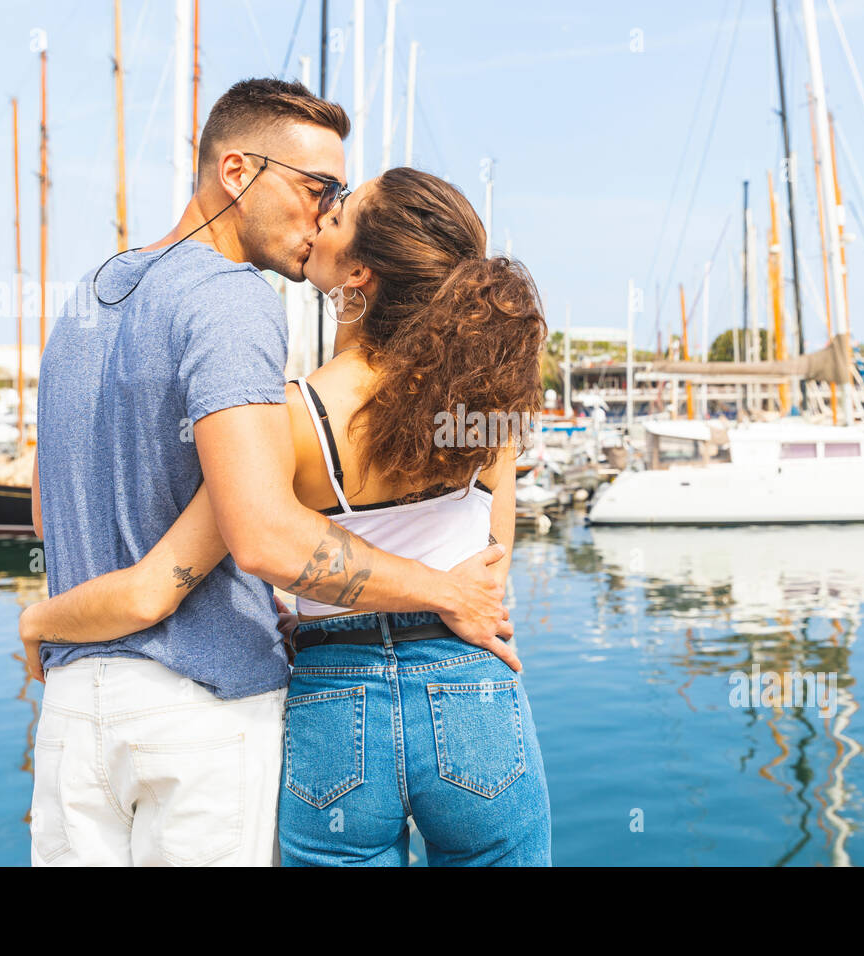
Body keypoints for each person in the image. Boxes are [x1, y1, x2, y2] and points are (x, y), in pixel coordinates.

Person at [28, 78, 512, 867]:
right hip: (202, 711)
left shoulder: (82, 301)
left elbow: (52, 524)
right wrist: (446, 591)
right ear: (236, 174)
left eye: (338, 198)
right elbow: (264, 537)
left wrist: (44, 623)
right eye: (318, 190)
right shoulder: (233, 297)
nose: (325, 217)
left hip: (76, 714)